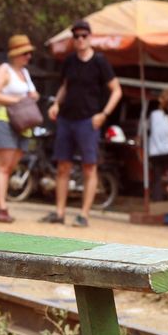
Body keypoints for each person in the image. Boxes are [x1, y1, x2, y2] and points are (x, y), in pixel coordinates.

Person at [42, 20, 122, 227]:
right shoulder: (69, 61)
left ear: (90, 37)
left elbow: (117, 90)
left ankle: (84, 215)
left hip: (89, 120)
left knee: (89, 167)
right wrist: (56, 104)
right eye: (76, 36)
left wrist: (104, 114)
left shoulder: (100, 62)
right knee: (63, 166)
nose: (80, 39)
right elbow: (65, 87)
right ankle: (59, 212)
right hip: (67, 118)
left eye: (83, 35)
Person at [0, 34, 38, 223]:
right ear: (15, 54)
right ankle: (1, 207)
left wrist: (32, 96)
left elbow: (32, 93)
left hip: (22, 124)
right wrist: (15, 100)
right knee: (3, 166)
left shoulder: (25, 73)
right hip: (4, 120)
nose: (28, 57)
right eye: (25, 53)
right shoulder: (4, 70)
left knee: (11, 166)